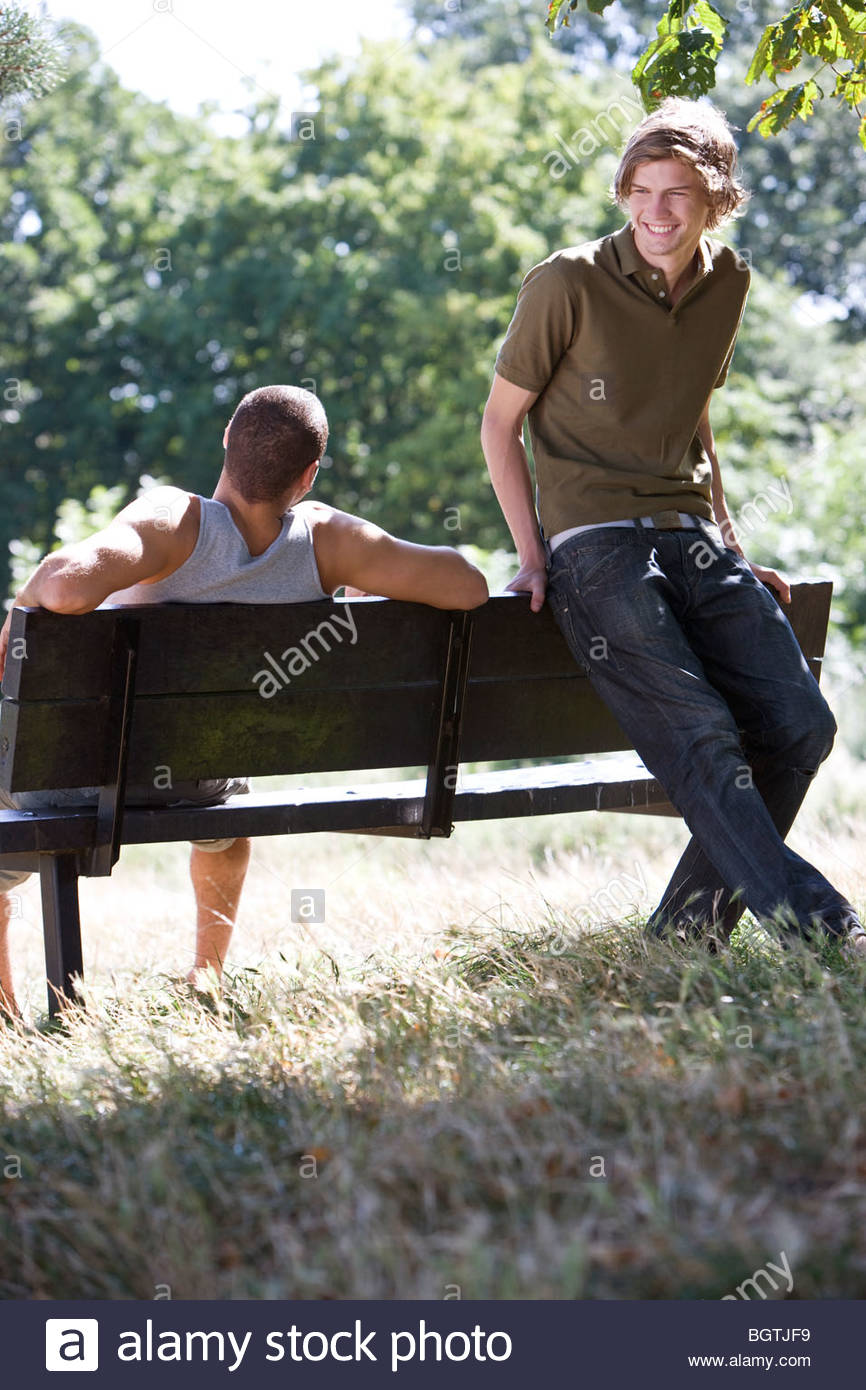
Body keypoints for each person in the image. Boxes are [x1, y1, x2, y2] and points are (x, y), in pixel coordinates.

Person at [480, 97, 864, 957]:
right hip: (594, 546)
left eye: (679, 192)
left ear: (716, 200)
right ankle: (827, 931)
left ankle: (684, 934)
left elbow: (695, 416)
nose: (657, 210)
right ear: (622, 194)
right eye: (641, 189)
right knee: (703, 736)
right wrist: (532, 553)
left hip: (689, 537)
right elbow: (498, 423)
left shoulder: (730, 282)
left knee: (802, 725)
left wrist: (730, 538)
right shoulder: (566, 282)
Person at [0, 384, 488, 1018]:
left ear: (228, 440)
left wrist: (30, 595)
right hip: (204, 780)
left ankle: (7, 1013)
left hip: (67, 779)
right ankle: (206, 977)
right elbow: (468, 585)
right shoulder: (329, 541)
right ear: (308, 475)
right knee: (227, 826)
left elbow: (65, 590)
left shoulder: (175, 521)